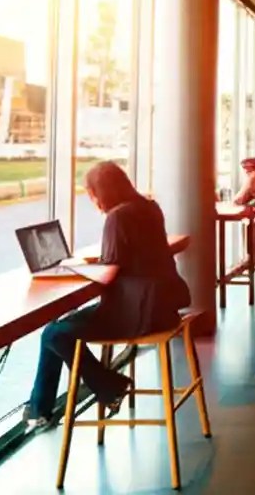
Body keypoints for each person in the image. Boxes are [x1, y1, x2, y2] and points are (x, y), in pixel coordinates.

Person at [25, 162, 190, 430]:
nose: (93, 201)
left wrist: (76, 270)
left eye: (91, 195)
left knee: (54, 333)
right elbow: (132, 256)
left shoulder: (117, 218)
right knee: (54, 331)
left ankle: (109, 387)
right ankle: (39, 410)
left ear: (100, 193)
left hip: (137, 313)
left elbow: (109, 275)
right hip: (163, 307)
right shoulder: (150, 207)